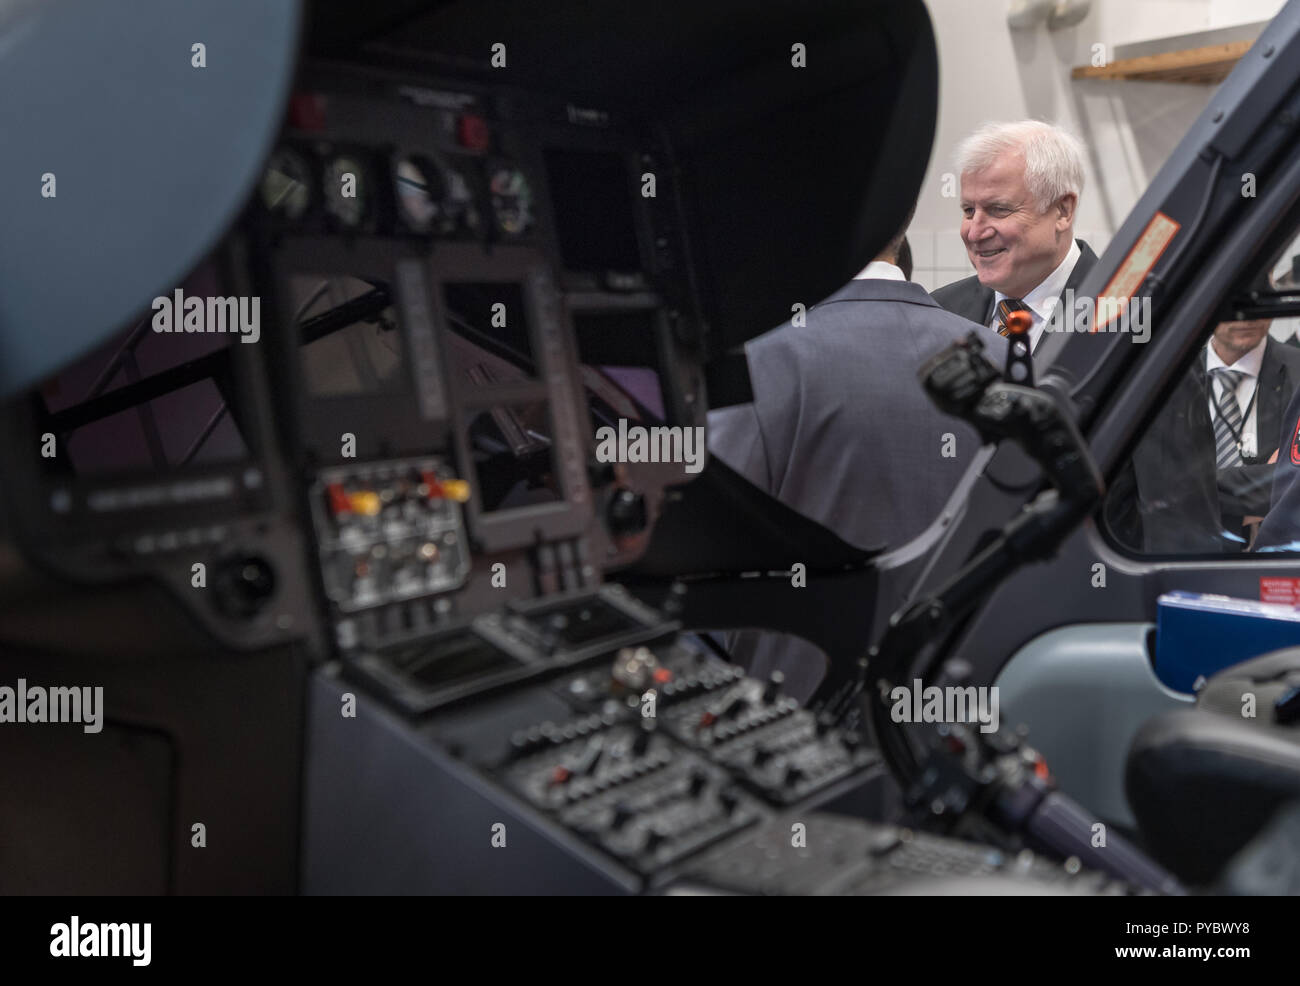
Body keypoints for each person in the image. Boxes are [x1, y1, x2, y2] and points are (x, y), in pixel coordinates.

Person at [705, 209, 1005, 702]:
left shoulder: (758, 359)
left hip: (795, 721)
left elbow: (707, 552)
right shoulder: (1003, 357)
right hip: (967, 705)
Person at [932, 120, 1097, 350]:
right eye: (969, 210)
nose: (975, 233)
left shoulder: (1127, 314)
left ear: (1063, 211)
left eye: (999, 209)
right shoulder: (941, 310)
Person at [1199, 319, 1300, 549]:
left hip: (1278, 555)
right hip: (1187, 551)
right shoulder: (1171, 375)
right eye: (1235, 303)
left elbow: (1289, 482)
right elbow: (1157, 481)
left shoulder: (1297, 372)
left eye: (1259, 299)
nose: (1246, 317)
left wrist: (1195, 489)